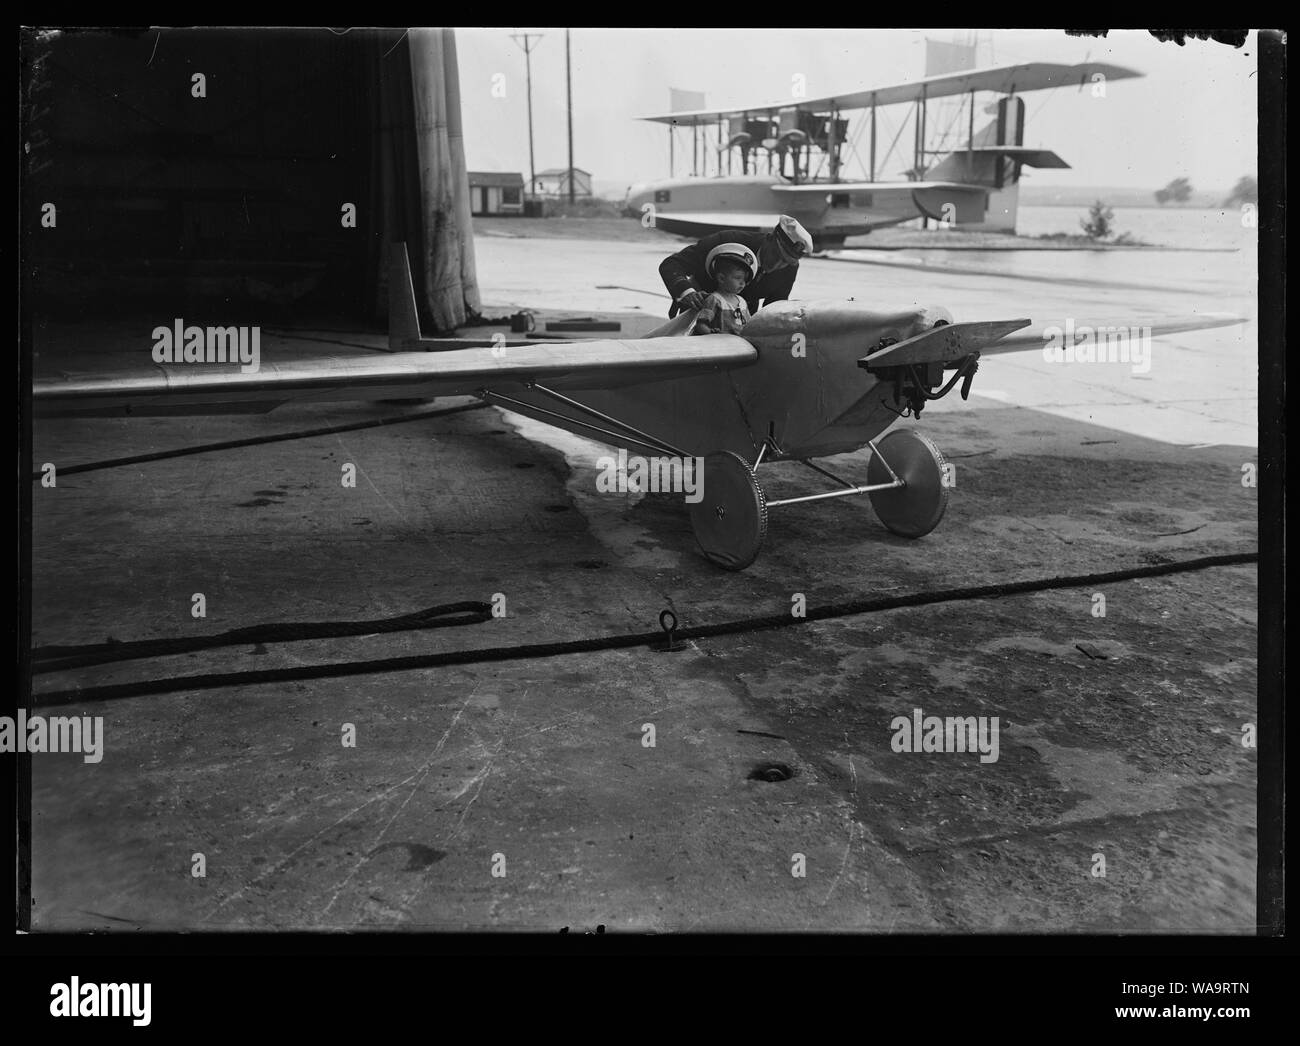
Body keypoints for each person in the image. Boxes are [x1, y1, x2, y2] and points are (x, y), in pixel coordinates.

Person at [659, 215, 815, 318]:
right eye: (776, 255)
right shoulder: (727, 241)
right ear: (770, 238)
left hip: (740, 323)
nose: (777, 265)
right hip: (698, 314)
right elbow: (671, 264)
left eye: (786, 262)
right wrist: (687, 293)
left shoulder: (789, 269)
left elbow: (772, 310)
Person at [689, 244, 758, 336]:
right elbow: (701, 324)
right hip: (720, 345)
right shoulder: (714, 300)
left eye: (744, 280)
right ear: (721, 278)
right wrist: (710, 333)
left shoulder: (742, 302)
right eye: (738, 278)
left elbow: (749, 325)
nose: (742, 283)